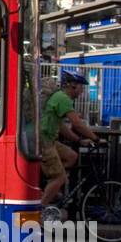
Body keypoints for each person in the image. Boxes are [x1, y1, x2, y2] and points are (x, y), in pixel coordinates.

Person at [39, 70, 101, 220]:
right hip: (43, 140)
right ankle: (39, 211)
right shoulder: (63, 98)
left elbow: (62, 127)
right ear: (73, 85)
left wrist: (78, 141)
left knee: (72, 156)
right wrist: (96, 139)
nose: (82, 91)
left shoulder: (59, 98)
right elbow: (77, 124)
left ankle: (50, 187)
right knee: (59, 178)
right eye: (81, 87)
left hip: (49, 139)